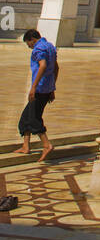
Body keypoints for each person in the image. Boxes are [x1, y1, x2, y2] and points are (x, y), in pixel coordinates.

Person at [17, 29, 59, 161]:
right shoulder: (50, 47)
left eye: (28, 43)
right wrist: (52, 88)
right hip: (46, 89)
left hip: (39, 89)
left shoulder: (38, 49)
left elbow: (43, 66)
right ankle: (25, 146)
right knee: (25, 118)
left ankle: (46, 145)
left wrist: (33, 87)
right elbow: (56, 68)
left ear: (32, 39)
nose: (29, 46)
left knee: (34, 118)